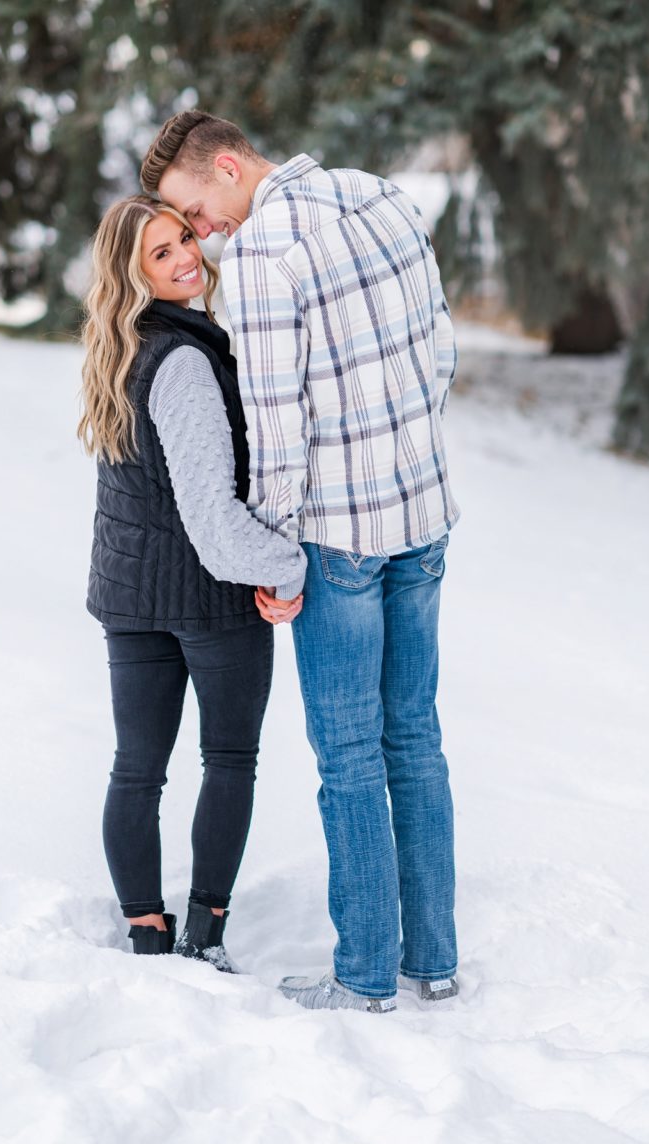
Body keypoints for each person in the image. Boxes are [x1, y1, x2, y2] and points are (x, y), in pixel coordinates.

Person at [141, 112, 461, 1013]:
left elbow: (280, 431)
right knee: (417, 738)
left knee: (352, 754)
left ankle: (364, 977)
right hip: (427, 520)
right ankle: (432, 962)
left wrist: (277, 562)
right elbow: (441, 351)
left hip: (340, 540)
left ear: (231, 165)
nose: (200, 230)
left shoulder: (264, 256)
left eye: (195, 206)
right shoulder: (381, 195)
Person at [78, 195, 305, 971]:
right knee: (228, 760)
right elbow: (214, 522)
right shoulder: (181, 362)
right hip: (208, 602)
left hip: (131, 597)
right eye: (161, 255)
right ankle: (202, 937)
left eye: (182, 241)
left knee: (136, 768)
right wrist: (287, 566)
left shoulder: (120, 351)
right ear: (131, 277)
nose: (186, 260)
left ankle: (146, 931)